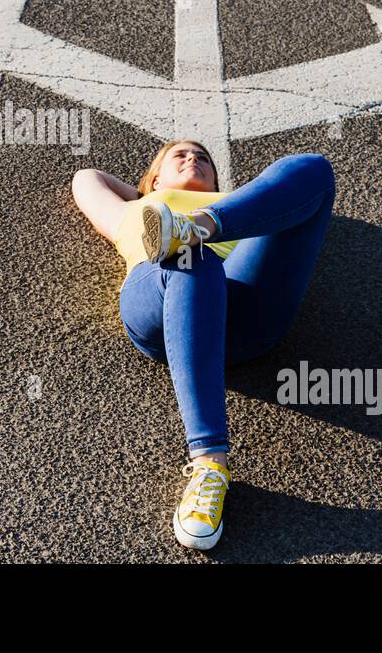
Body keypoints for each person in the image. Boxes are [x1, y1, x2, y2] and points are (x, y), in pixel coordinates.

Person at [71, 140, 335, 550]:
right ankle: (210, 463)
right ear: (155, 177)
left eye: (204, 159)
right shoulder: (133, 210)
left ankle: (195, 228)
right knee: (193, 260)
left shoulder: (243, 207)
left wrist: (223, 207)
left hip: (246, 316)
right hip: (161, 309)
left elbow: (302, 183)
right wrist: (148, 194)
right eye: (179, 155)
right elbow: (87, 178)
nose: (194, 158)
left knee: (313, 167)